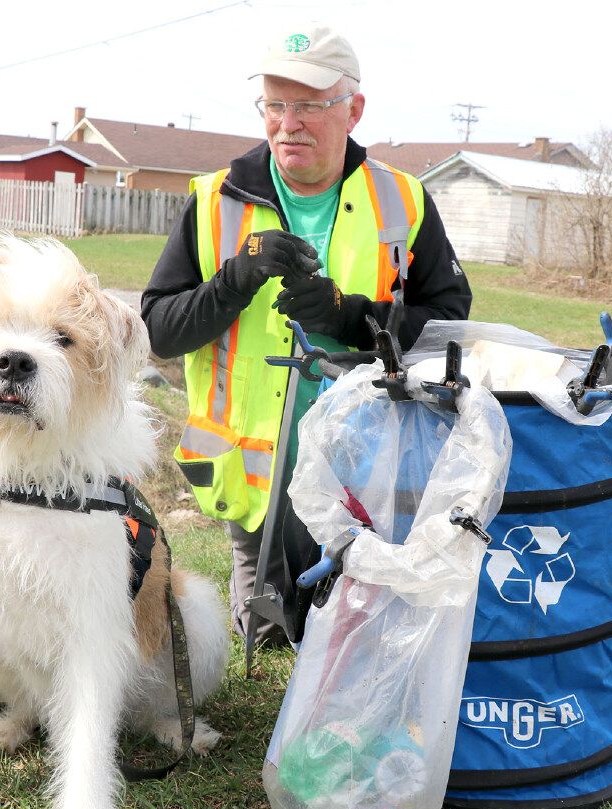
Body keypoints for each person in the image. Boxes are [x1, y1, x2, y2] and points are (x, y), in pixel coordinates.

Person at [141, 24, 471, 647]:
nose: (288, 123)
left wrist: (352, 317)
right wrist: (233, 281)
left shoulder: (403, 200)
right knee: (266, 639)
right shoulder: (215, 201)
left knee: (356, 641)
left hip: (368, 477)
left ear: (354, 110)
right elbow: (159, 329)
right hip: (255, 480)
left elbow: (450, 320)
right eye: (275, 104)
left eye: (309, 105)